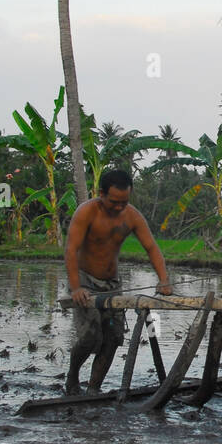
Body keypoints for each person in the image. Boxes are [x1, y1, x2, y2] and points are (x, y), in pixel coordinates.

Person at [64, 168, 172, 394]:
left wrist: (163, 279)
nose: (120, 207)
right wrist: (76, 288)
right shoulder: (86, 213)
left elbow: (151, 247)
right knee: (90, 336)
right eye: (114, 202)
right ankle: (72, 379)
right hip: (85, 283)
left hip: (113, 285)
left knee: (113, 339)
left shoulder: (132, 216)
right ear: (101, 193)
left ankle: (94, 388)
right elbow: (71, 250)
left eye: (124, 202)